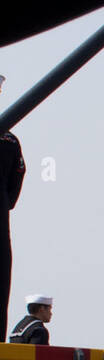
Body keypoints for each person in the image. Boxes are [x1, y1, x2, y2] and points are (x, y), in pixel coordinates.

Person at [0, 75, 26, 341]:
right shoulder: (10, 139)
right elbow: (19, 173)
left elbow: (19, 172)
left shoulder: (9, 139)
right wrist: (6, 202)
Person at [7, 293, 51, 360]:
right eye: (49, 309)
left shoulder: (19, 327)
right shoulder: (39, 330)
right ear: (42, 309)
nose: (51, 313)